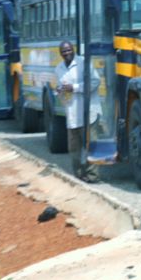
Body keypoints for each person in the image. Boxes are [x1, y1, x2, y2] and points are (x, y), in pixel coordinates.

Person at [56, 40, 102, 182]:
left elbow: (95, 82)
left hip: (89, 111)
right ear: (60, 54)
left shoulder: (83, 63)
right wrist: (60, 91)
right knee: (74, 148)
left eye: (69, 50)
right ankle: (79, 175)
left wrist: (74, 88)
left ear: (73, 50)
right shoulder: (58, 68)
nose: (67, 53)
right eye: (64, 51)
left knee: (91, 145)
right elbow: (61, 86)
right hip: (72, 113)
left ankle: (93, 176)